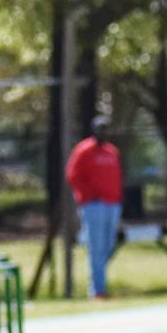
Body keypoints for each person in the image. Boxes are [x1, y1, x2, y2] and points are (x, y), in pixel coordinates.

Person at [65, 114, 123, 299]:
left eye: (106, 128)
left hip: (112, 205)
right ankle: (98, 290)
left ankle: (99, 282)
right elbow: (73, 176)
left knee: (108, 245)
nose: (103, 132)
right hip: (94, 205)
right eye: (100, 128)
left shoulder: (111, 151)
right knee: (97, 247)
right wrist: (89, 195)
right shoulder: (84, 150)